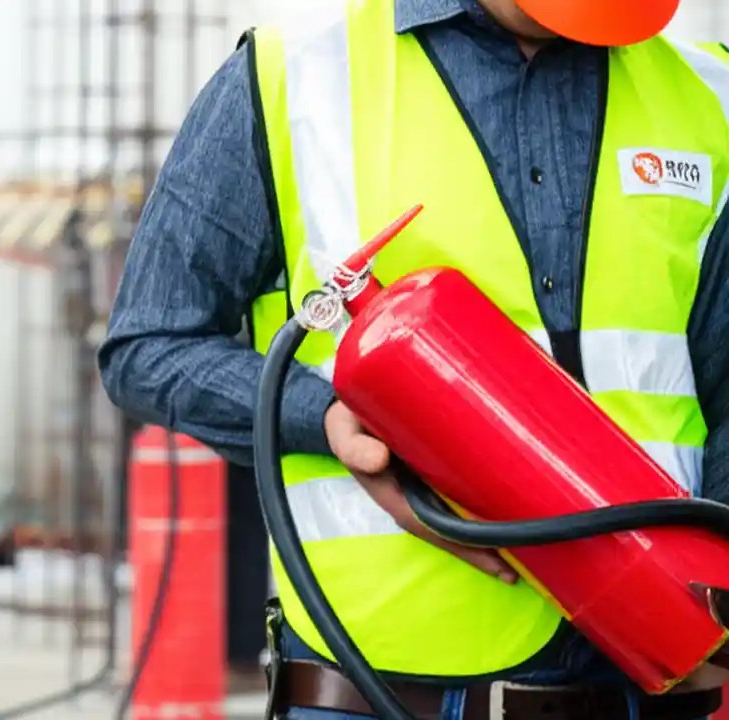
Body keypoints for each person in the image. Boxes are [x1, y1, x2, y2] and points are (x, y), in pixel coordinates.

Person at [100, 0, 729, 717]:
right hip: (377, 688)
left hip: (651, 673)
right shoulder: (296, 78)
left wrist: (716, 601)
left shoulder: (707, 95)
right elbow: (149, 345)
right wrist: (327, 418)